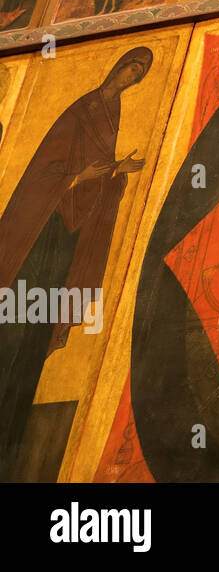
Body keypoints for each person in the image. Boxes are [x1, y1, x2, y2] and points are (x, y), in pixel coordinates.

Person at [0, 47, 152, 481]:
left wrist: (114, 172)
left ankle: (8, 449)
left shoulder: (114, 113)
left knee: (32, 343)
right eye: (130, 68)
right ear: (115, 65)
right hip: (40, 236)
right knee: (10, 333)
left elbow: (95, 172)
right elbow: (41, 173)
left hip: (66, 240)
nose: (131, 77)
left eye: (139, 75)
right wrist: (77, 178)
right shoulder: (81, 108)